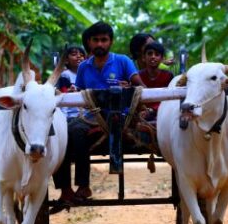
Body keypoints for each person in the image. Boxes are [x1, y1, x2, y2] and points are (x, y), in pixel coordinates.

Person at [53, 22, 143, 205]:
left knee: (75, 131)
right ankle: (67, 189)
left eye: (104, 40)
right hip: (92, 119)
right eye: (96, 40)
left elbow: (141, 87)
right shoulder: (85, 67)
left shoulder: (123, 61)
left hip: (123, 120)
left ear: (110, 42)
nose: (100, 44)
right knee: (61, 133)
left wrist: (131, 88)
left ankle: (83, 186)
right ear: (89, 42)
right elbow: (79, 91)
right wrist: (73, 92)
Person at [139, 41, 174, 122]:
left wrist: (152, 110)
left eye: (157, 54)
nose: (153, 57)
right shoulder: (138, 76)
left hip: (164, 115)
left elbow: (171, 99)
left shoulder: (168, 76)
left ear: (162, 59)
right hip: (142, 117)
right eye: (150, 54)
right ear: (143, 57)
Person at [56, 44, 85, 119]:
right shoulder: (65, 75)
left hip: (84, 114)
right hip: (69, 115)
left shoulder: (87, 75)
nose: (78, 56)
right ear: (66, 60)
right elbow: (62, 94)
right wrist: (69, 91)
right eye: (74, 54)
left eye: (81, 55)